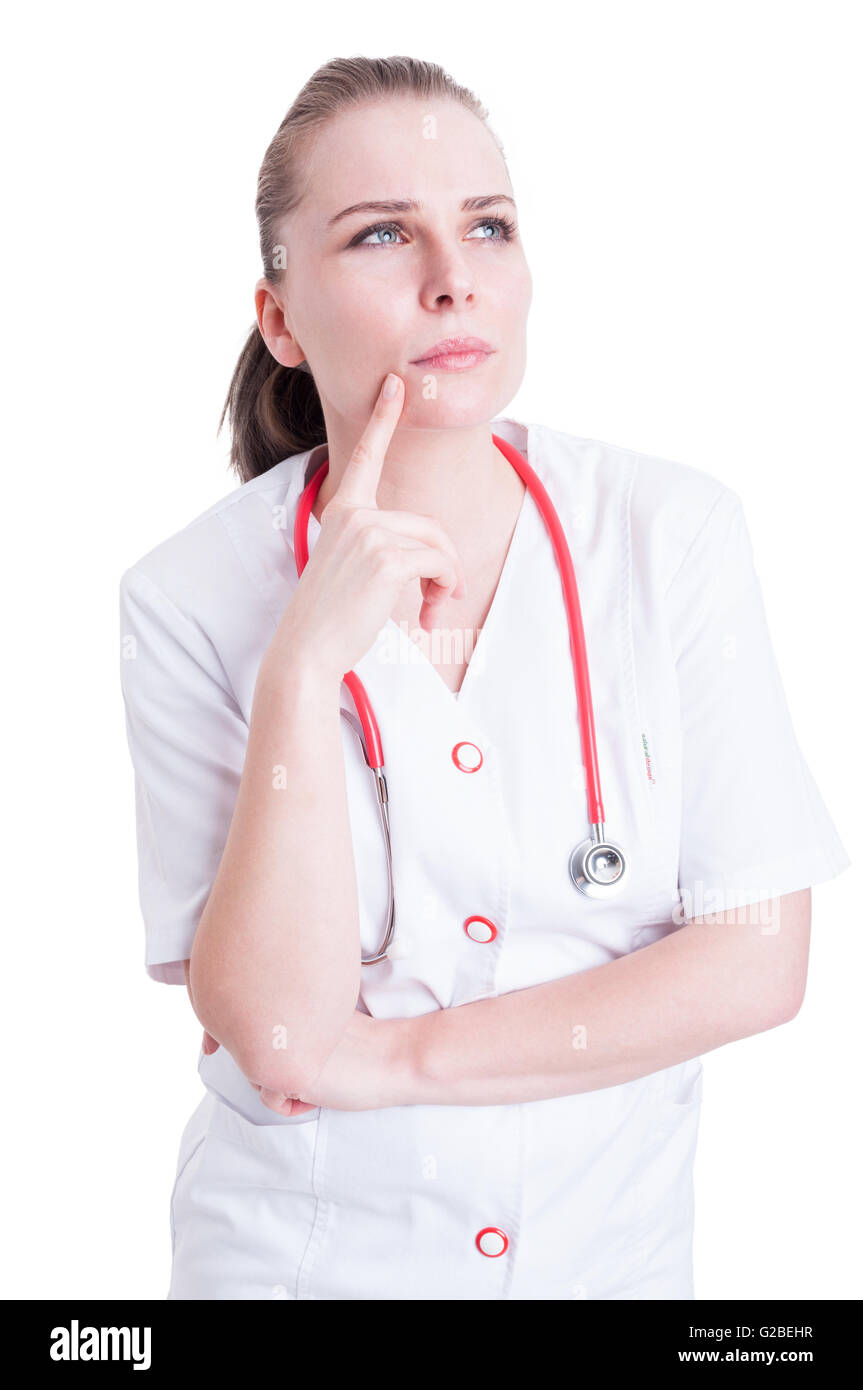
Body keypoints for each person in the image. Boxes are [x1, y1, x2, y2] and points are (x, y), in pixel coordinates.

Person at [118, 55, 850, 1301]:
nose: (452, 276)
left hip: (605, 1266)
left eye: (488, 226)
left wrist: (393, 1060)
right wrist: (301, 665)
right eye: (381, 233)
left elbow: (754, 961)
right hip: (305, 1269)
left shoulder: (668, 534)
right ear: (280, 320)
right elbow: (280, 1032)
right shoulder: (188, 596)